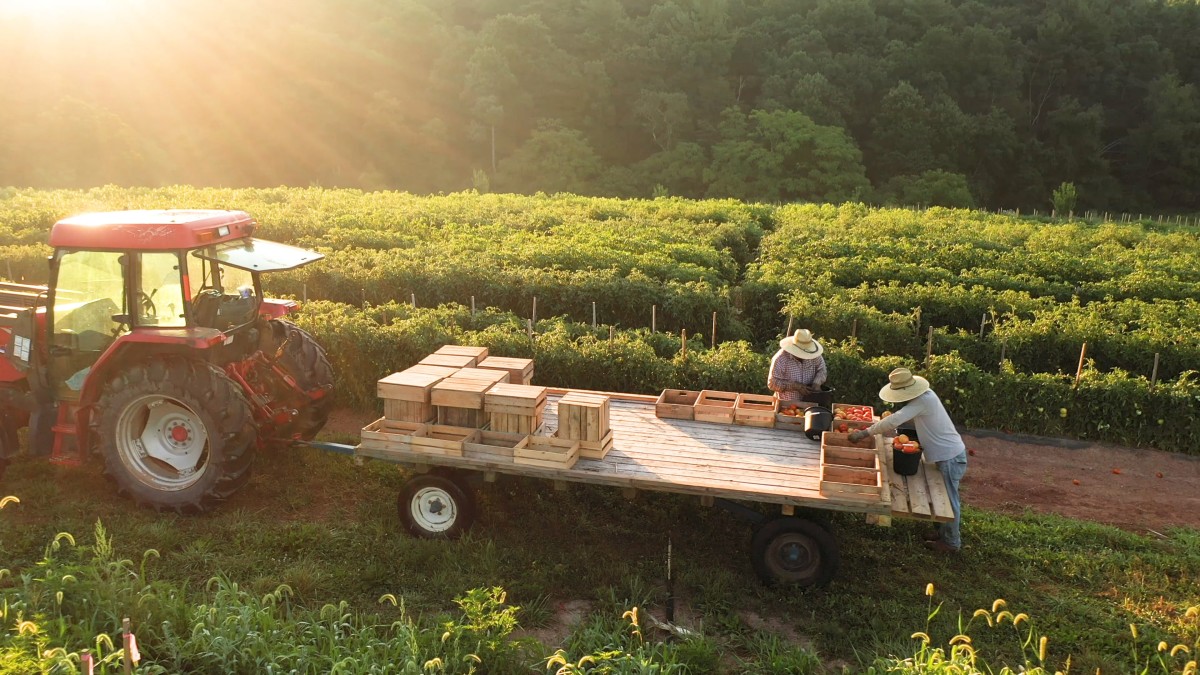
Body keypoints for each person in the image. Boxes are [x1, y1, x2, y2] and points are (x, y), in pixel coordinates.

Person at [849, 368, 968, 554]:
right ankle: (942, 533)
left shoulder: (923, 400)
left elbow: (895, 419)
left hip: (950, 457)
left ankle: (952, 543)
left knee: (949, 501)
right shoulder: (925, 397)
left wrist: (865, 432)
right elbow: (911, 418)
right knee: (942, 496)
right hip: (947, 454)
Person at [767, 329, 827, 402]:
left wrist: (816, 383)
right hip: (786, 405)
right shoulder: (781, 358)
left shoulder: (814, 355)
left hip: (811, 403)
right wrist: (795, 386)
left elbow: (822, 370)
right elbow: (772, 383)